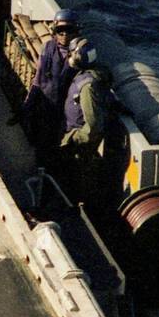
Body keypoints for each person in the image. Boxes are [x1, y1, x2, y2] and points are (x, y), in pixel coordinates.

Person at [21, 8, 80, 167]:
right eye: (60, 30)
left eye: (69, 30)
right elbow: (38, 79)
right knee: (42, 141)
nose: (64, 34)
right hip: (46, 104)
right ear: (54, 30)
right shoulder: (48, 48)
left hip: (66, 111)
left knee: (61, 146)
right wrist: (29, 103)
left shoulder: (81, 53)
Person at [59, 37, 114, 200]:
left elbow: (93, 126)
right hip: (79, 141)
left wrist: (72, 139)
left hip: (79, 145)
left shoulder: (87, 86)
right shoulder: (96, 74)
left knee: (75, 178)